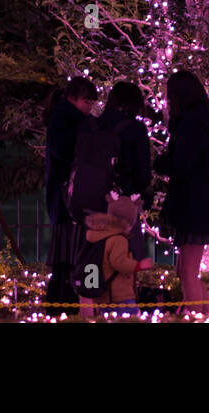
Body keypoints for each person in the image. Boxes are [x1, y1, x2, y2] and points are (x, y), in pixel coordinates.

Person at [153, 70, 209, 315]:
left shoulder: (188, 122)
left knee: (186, 271)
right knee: (186, 270)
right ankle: (204, 315)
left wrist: (157, 163)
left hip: (191, 204)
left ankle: (199, 317)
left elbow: (182, 164)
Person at [44, 76, 100, 313]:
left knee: (66, 260)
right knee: (77, 257)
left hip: (67, 202)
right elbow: (64, 153)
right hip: (72, 202)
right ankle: (70, 308)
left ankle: (60, 307)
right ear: (72, 98)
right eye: (87, 101)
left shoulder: (65, 119)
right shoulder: (69, 122)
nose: (90, 107)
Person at [97, 81, 153, 260]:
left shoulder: (93, 124)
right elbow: (143, 173)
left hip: (94, 197)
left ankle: (93, 285)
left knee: (97, 257)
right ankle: (124, 287)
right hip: (124, 199)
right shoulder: (135, 129)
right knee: (127, 256)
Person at [81, 194, 154, 317]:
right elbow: (119, 262)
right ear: (128, 222)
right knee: (133, 316)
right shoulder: (118, 239)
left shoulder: (102, 235)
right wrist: (139, 265)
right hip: (119, 294)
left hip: (105, 295)